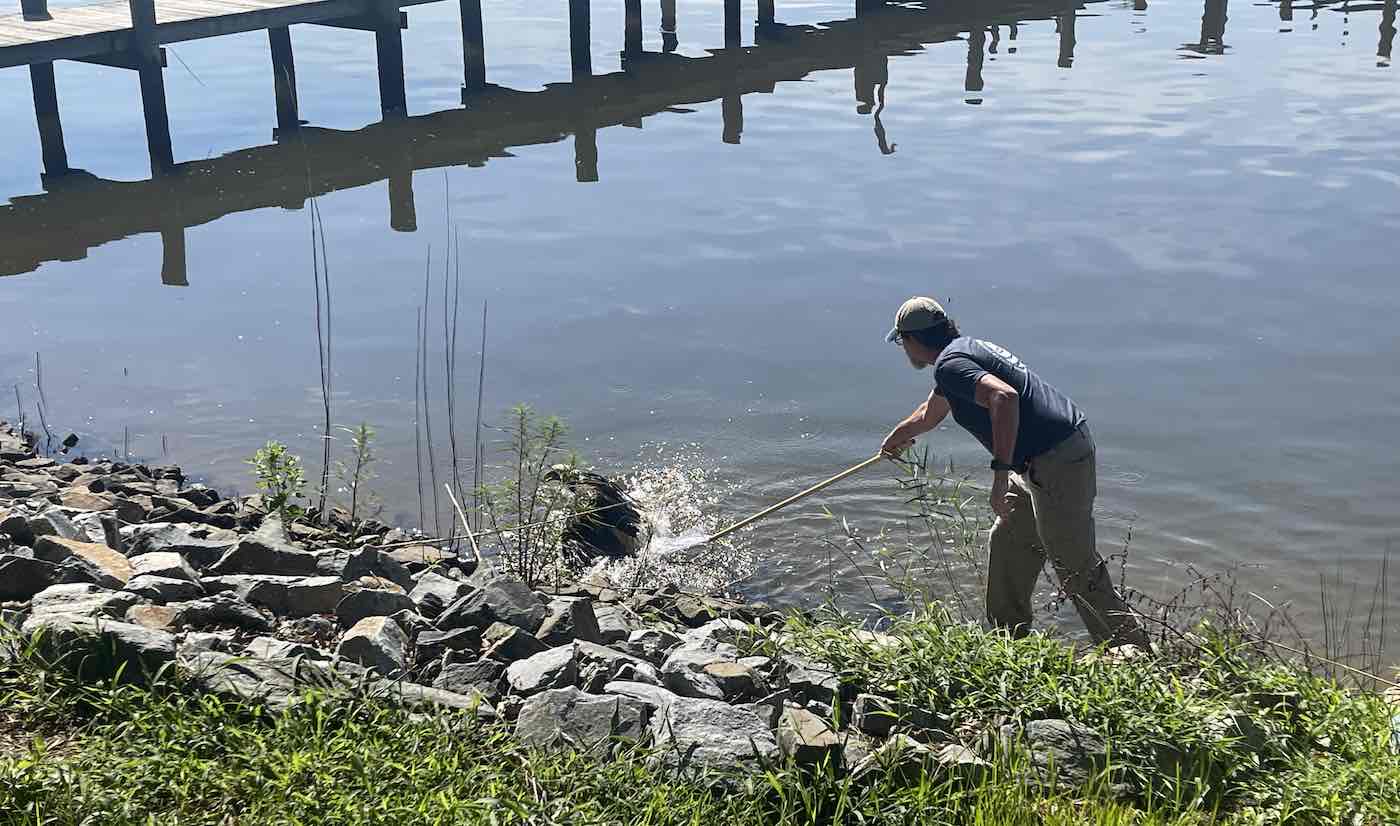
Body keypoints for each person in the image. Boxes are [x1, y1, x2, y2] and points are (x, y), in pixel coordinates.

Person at [879, 296, 1149, 648]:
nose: (904, 350)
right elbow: (930, 412)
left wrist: (999, 474)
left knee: (1074, 566)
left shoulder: (951, 365)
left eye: (901, 342)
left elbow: (1004, 398)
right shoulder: (962, 353)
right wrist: (897, 437)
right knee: (1009, 543)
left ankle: (1134, 653)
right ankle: (1008, 644)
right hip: (1043, 459)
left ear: (912, 340)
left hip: (1057, 460)